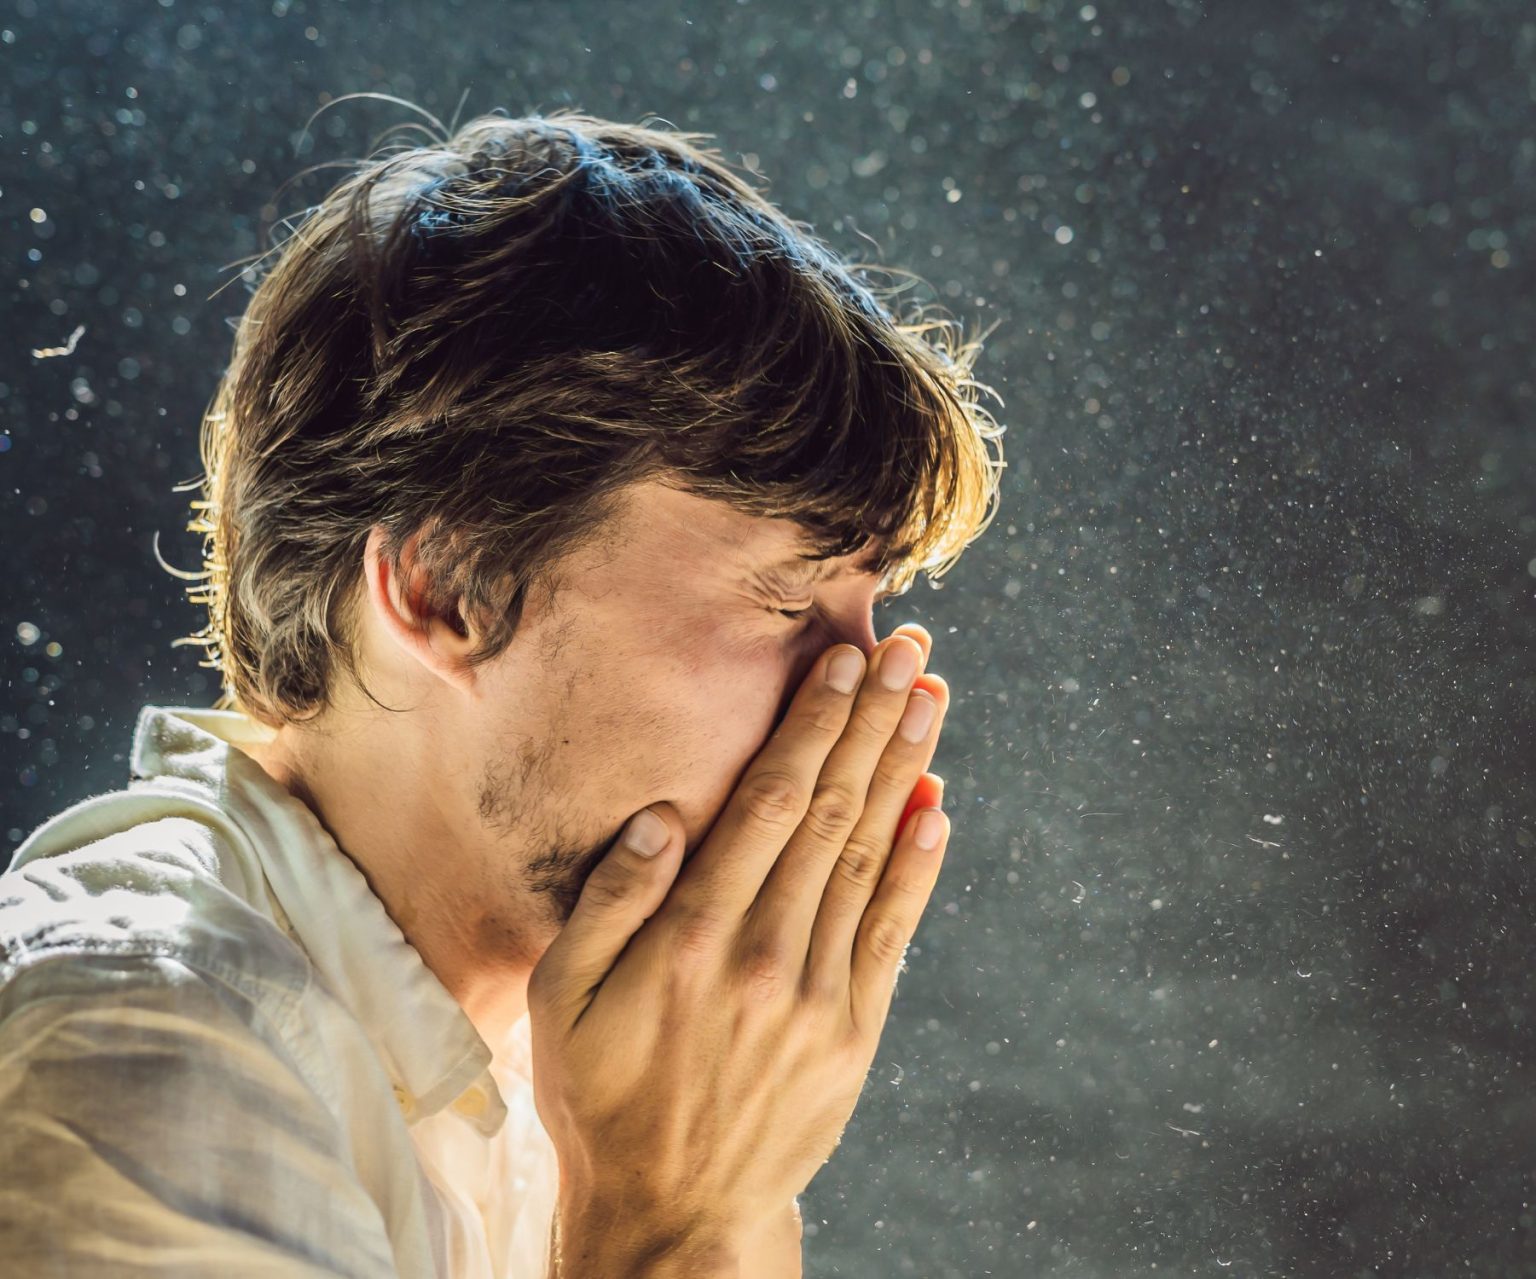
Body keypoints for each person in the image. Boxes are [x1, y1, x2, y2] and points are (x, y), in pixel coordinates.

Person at [0, 107, 1004, 1277]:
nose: (869, 694)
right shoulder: (140, 1059)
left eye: (866, 609)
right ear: (450, 588)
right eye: (788, 602)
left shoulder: (571, 1090)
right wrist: (673, 1226)